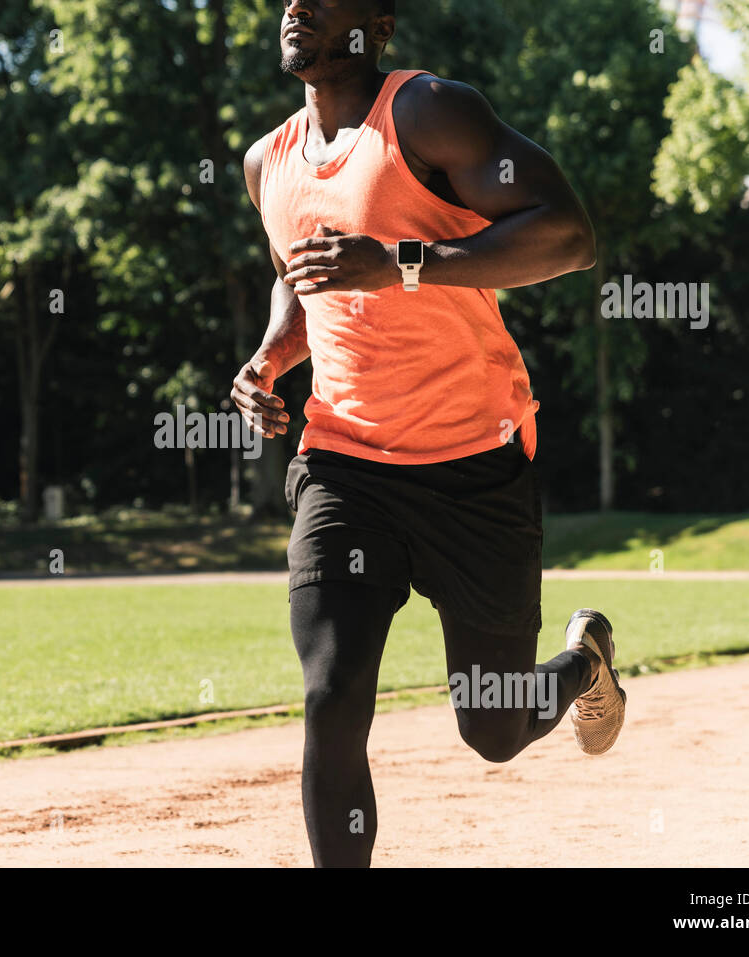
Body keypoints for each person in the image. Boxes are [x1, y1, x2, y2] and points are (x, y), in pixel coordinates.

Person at [231, 0, 626, 868]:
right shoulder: (269, 162)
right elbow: (305, 287)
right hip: (343, 465)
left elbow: (568, 234)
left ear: (377, 20)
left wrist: (404, 260)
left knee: (494, 726)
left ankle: (584, 661)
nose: (296, 6)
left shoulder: (428, 112)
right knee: (332, 695)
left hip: (473, 466)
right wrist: (266, 361)